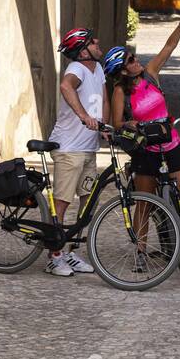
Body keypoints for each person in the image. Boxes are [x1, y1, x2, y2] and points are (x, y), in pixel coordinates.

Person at [103, 11, 180, 271]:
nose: (136, 60)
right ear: (123, 70)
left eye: (133, 56)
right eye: (131, 60)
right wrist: (129, 124)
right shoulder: (121, 92)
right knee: (143, 203)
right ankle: (140, 252)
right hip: (146, 151)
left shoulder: (151, 74)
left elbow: (169, 46)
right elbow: (116, 123)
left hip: (171, 144)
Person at [46, 27, 109, 277]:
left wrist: (102, 124)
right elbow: (65, 86)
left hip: (88, 148)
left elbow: (102, 99)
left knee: (87, 201)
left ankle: (71, 251)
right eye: (93, 41)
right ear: (83, 50)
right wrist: (83, 116)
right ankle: (54, 256)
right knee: (62, 202)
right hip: (69, 148)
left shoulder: (99, 69)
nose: (98, 42)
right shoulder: (76, 69)